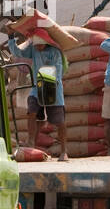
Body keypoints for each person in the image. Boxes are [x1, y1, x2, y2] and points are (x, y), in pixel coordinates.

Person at [7, 20, 69, 160]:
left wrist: (49, 83)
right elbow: (18, 52)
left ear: (46, 42)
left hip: (53, 88)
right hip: (37, 88)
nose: (38, 48)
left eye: (40, 45)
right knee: (32, 112)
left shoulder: (55, 53)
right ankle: (31, 142)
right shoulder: (34, 50)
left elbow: (57, 71)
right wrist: (11, 37)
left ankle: (64, 151)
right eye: (36, 45)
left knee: (59, 122)